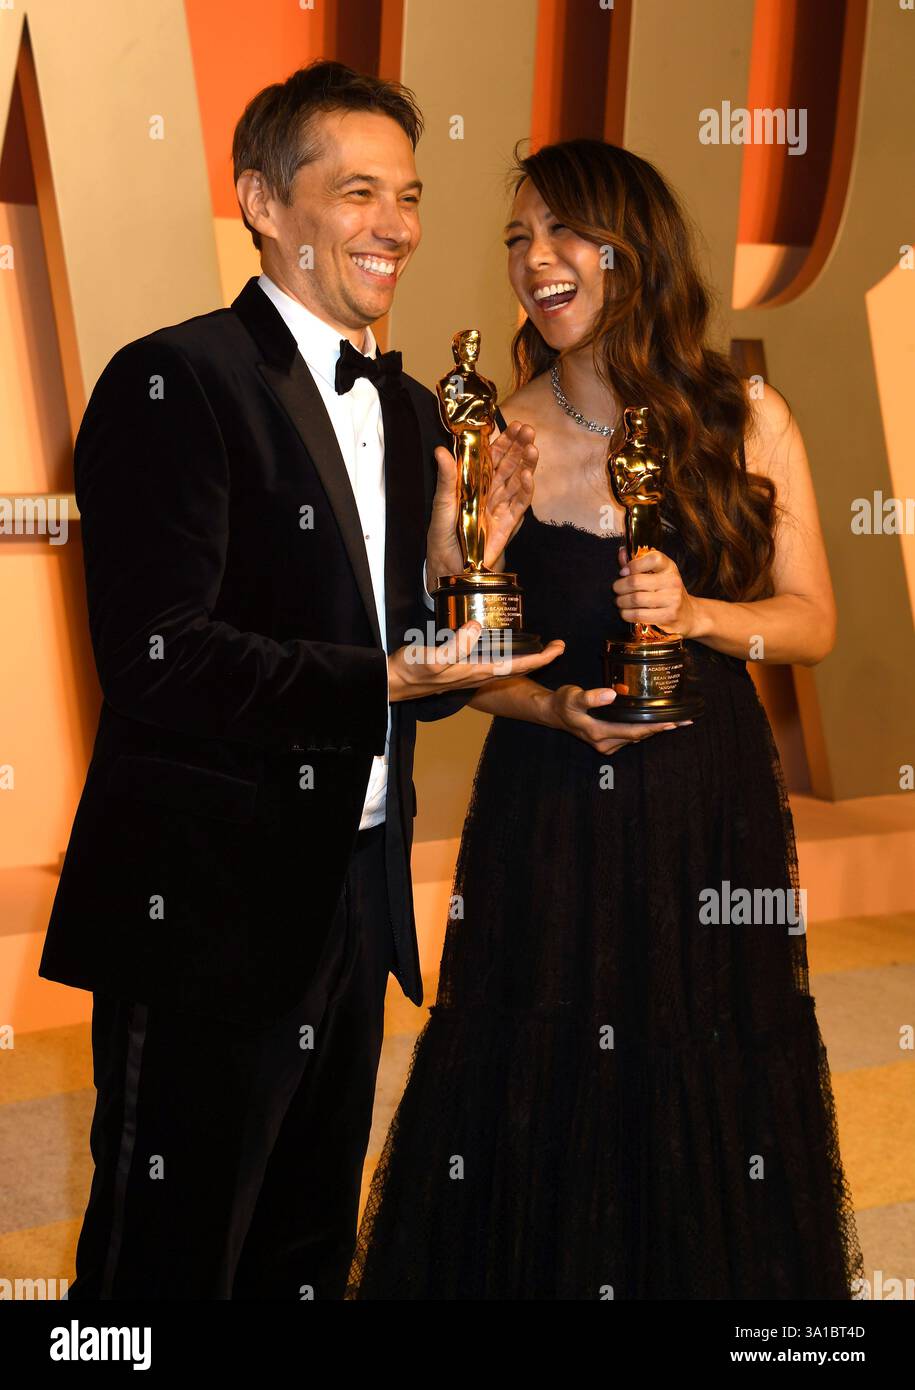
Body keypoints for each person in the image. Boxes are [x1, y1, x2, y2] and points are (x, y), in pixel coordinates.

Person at [39, 61, 560, 1301]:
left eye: (413, 196)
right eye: (360, 191)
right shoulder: (175, 379)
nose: (397, 227)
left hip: (356, 886)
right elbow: (159, 656)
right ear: (264, 203)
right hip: (208, 902)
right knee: (160, 1263)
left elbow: (398, 661)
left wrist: (453, 574)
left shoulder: (415, 402)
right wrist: (387, 668)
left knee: (306, 1250)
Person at [348, 138, 865, 1300]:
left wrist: (701, 613)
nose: (537, 261)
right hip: (548, 807)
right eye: (520, 239)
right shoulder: (497, 434)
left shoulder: (744, 411)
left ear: (632, 250)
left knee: (711, 1058)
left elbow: (814, 622)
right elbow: (472, 667)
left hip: (706, 810)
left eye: (564, 232)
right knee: (534, 1057)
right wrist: (538, 686)